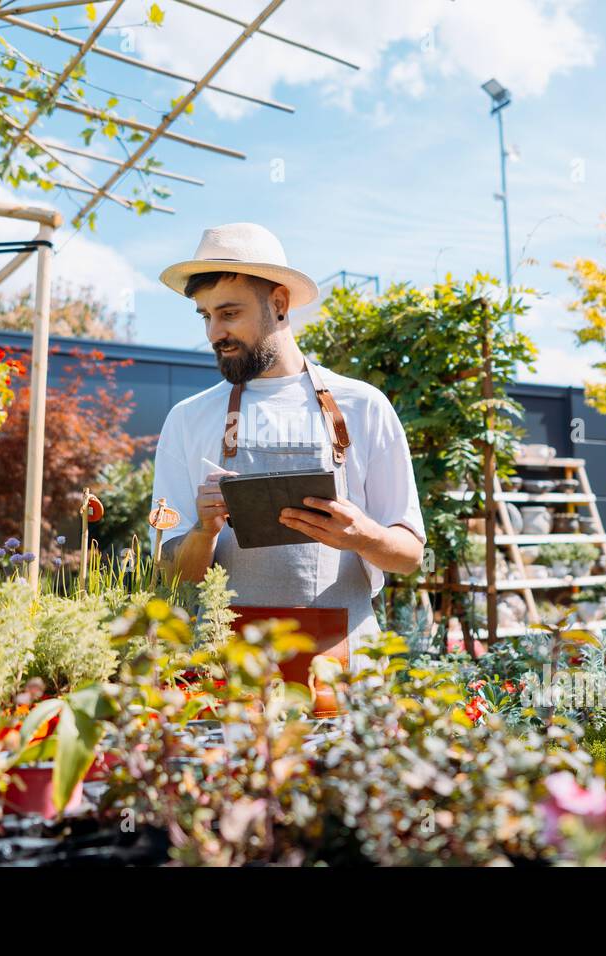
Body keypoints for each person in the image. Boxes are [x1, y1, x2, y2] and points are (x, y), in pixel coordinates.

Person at [151, 223, 425, 687]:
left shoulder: (363, 406)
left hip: (343, 666)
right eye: (206, 317)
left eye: (229, 313)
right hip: (226, 669)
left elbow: (409, 555)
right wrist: (203, 532)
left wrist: (360, 533)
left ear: (279, 304)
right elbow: (172, 577)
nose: (215, 332)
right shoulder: (187, 418)